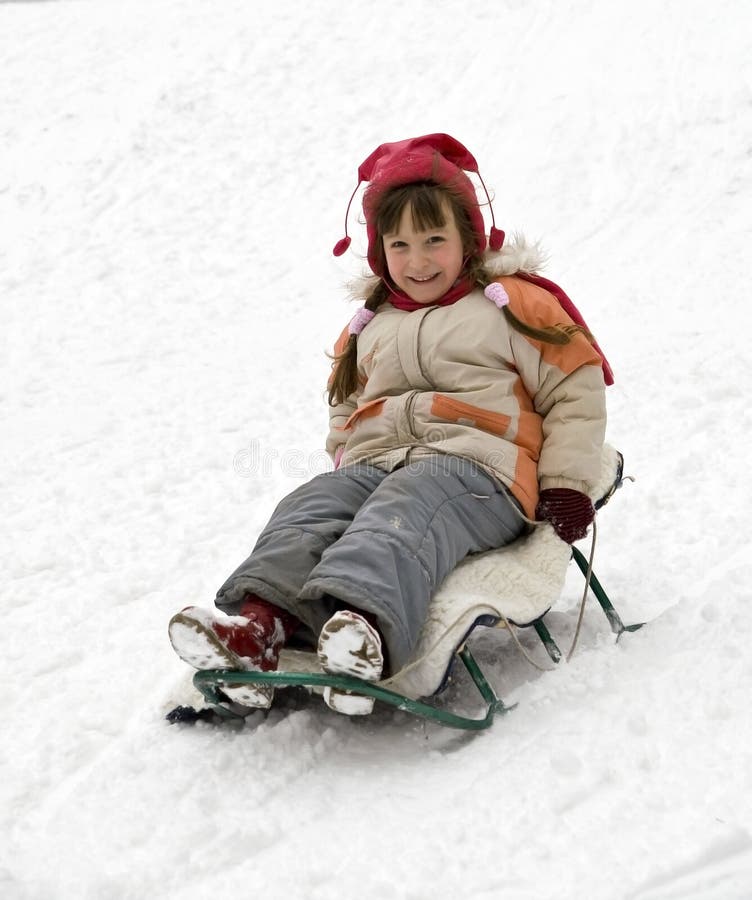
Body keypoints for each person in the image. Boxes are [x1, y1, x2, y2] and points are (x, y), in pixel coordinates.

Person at [168, 133, 612, 716]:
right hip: (380, 463)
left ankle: (366, 633)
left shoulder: (511, 304)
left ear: (468, 240)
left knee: (408, 502)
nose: (418, 260)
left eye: (434, 240)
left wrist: (566, 485)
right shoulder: (370, 323)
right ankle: (259, 630)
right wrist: (347, 459)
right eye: (399, 245)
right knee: (311, 504)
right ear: (380, 252)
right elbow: (344, 402)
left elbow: (574, 391)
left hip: (481, 473)